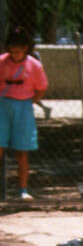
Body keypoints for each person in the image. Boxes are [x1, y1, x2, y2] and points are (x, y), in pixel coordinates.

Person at [0, 26, 48, 200]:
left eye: (19, 52)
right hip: (2, 106)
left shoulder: (34, 65)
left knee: (22, 151)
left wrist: (29, 103)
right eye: (12, 51)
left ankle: (23, 190)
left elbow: (41, 88)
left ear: (26, 49)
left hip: (24, 107)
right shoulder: (2, 62)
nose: (15, 55)